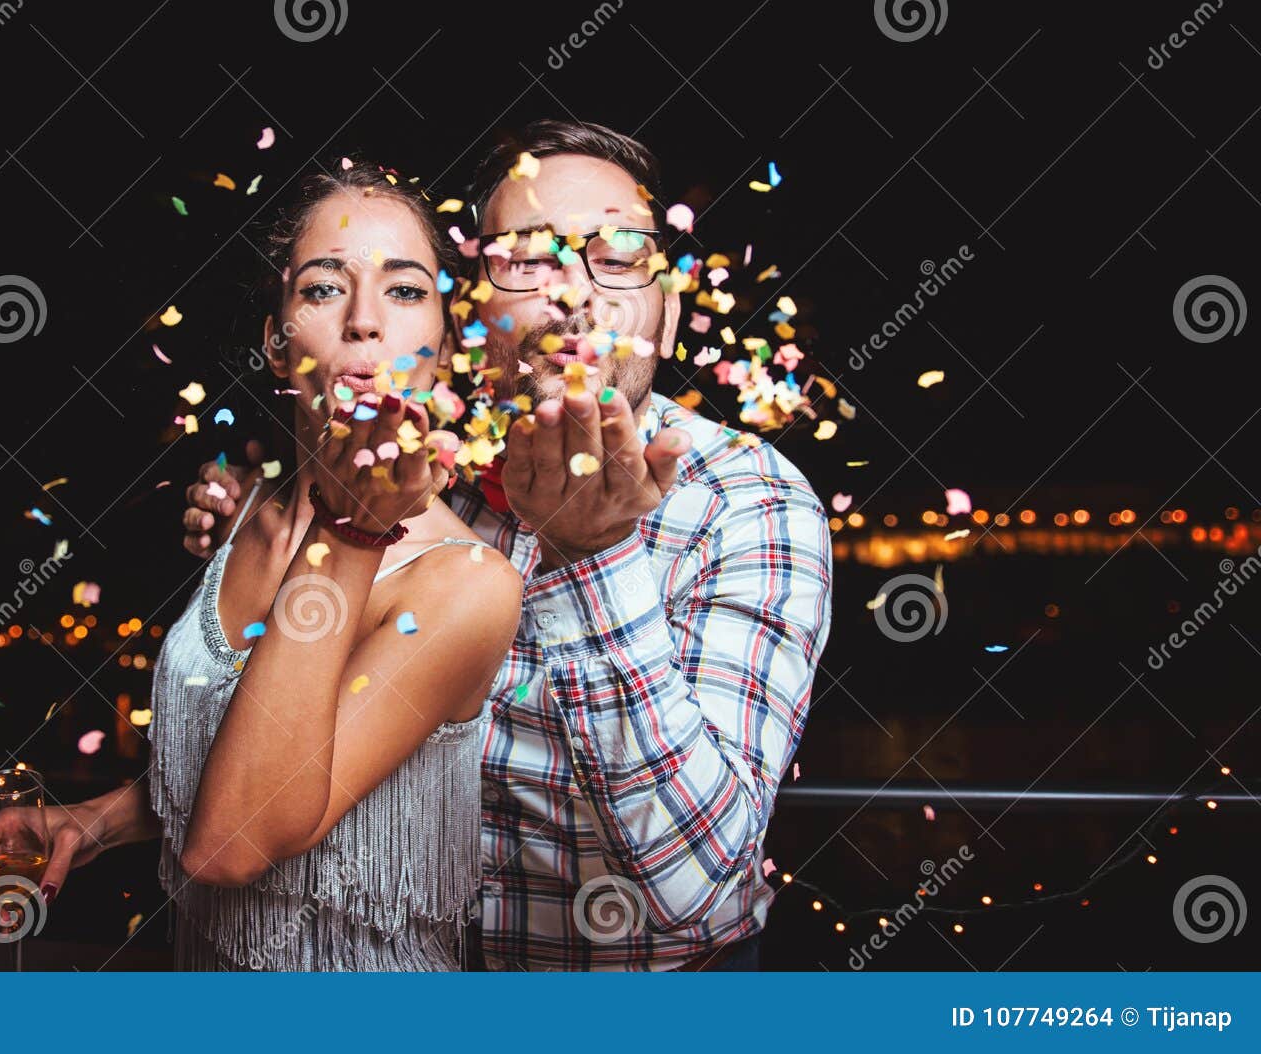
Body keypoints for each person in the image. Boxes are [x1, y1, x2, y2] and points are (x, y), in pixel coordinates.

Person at [186, 121, 834, 971]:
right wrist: (260, 507)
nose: (572, 292)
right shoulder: (425, 479)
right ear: (474, 319)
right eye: (525, 257)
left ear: (670, 317)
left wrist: (592, 558)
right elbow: (307, 744)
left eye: (619, 256)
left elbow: (697, 888)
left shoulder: (750, 503)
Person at [0, 160, 523, 971]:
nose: (365, 321)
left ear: (444, 339)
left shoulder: (466, 585)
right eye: (324, 288)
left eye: (405, 290)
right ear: (275, 342)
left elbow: (230, 844)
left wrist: (351, 530)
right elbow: (250, 754)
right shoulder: (246, 508)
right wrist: (96, 821)